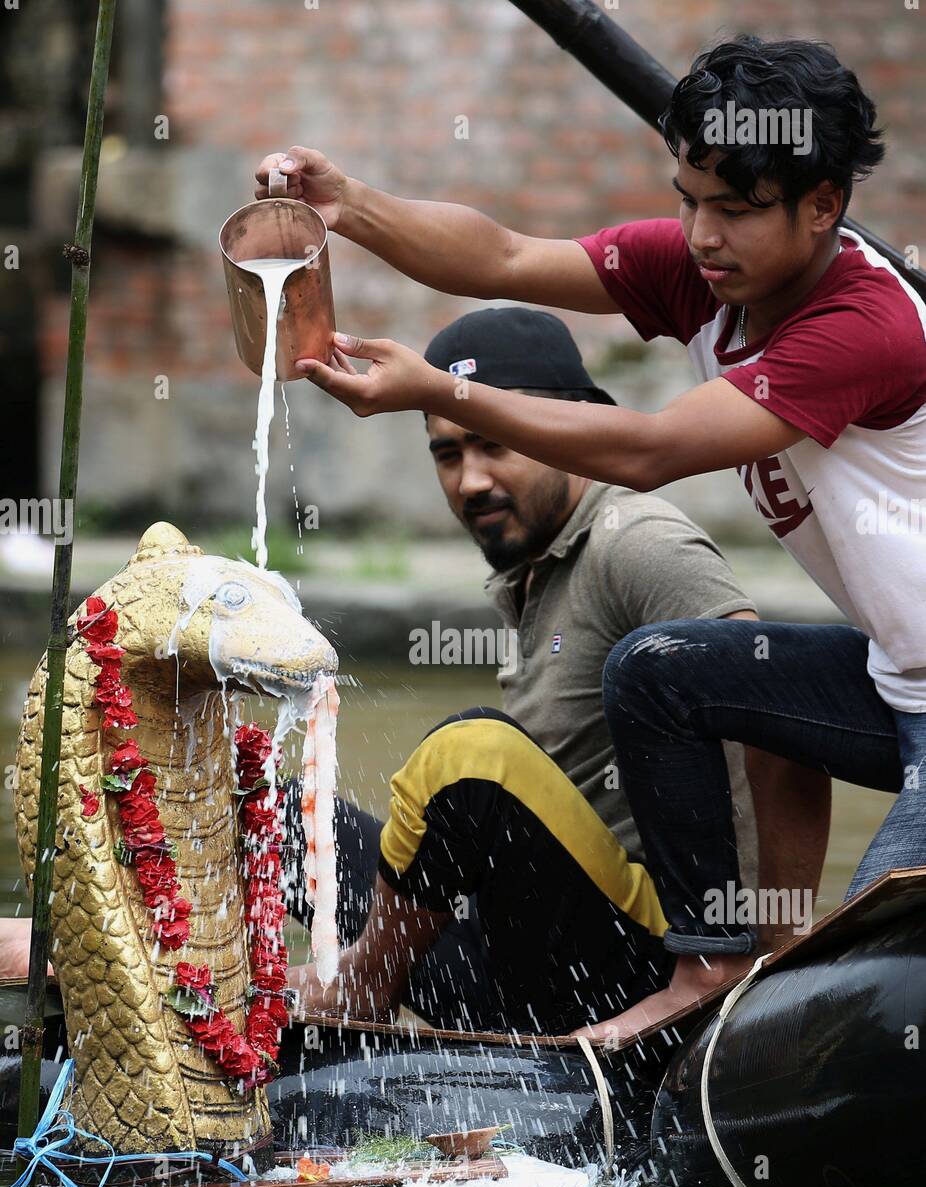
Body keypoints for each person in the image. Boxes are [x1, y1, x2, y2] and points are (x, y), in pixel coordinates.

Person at [257, 34, 925, 1042]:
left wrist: (438, 389)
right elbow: (505, 258)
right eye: (687, 197)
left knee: (872, 1010)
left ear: (821, 206)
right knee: (659, 669)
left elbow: (652, 448)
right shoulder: (706, 271)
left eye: (734, 210)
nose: (700, 233)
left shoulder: (864, 326)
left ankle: (771, 999)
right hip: (891, 680)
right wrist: (348, 204)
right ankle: (717, 967)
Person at [286, 307, 827, 1034]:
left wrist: (771, 954)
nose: (471, 481)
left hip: (640, 973)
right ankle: (201, 980)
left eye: (494, 444)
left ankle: (362, 983)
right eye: (448, 454)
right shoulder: (536, 564)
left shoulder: (638, 542)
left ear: (565, 429)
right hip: (532, 948)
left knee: (468, 755)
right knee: (270, 804)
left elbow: (781, 721)